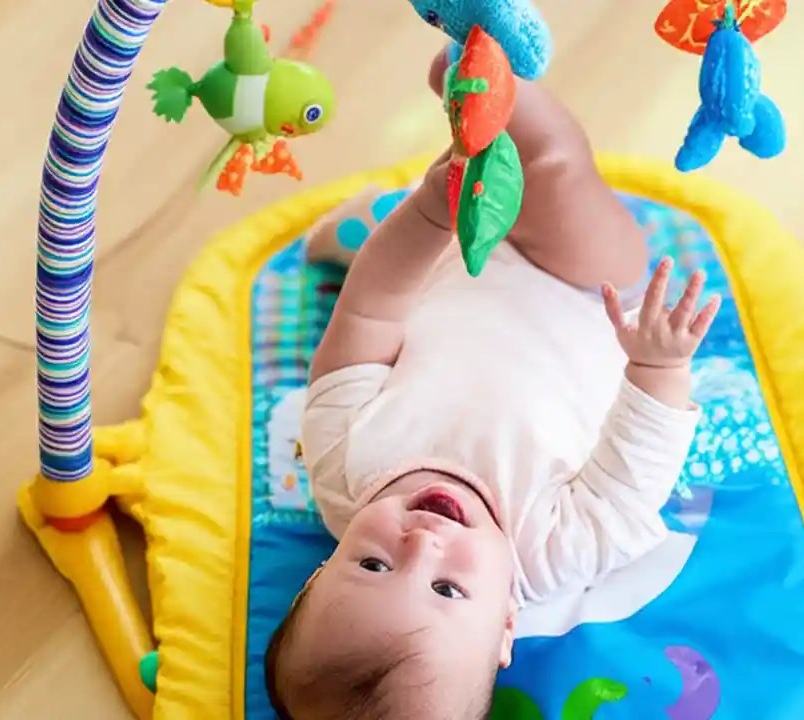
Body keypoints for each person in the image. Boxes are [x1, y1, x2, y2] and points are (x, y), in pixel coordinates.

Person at [264, 47, 720, 720]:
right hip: (588, 292)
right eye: (449, 590)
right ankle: (478, 67)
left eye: (372, 566)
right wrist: (658, 363)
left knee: (414, 233)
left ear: (316, 577)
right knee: (552, 162)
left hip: (447, 262)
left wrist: (426, 215)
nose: (420, 543)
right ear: (506, 624)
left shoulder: (342, 464)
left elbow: (370, 311)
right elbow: (639, 466)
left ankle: (390, 216)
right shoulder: (554, 549)